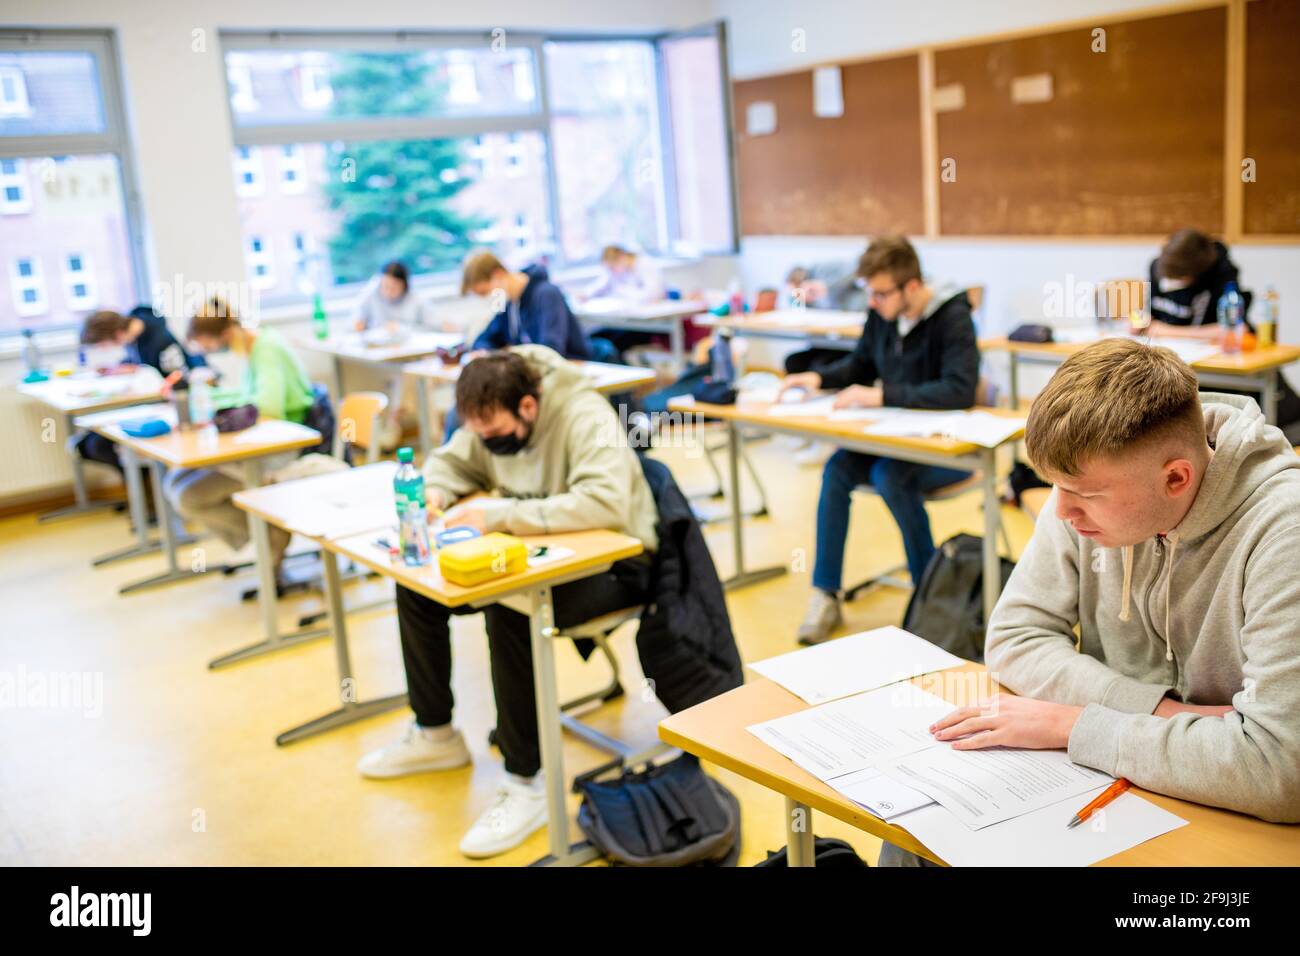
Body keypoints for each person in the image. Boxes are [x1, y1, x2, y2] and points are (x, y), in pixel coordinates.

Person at [883, 339, 1300, 868]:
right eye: (1052, 486)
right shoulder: (1085, 499)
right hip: (1121, 778)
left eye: (1083, 493)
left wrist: (1073, 725)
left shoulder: (1283, 530)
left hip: (1232, 825)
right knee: (914, 836)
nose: (1060, 512)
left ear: (1176, 478)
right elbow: (1014, 638)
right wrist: (1159, 710)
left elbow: (1280, 768)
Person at [356, 345, 659, 858]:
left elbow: (605, 503)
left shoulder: (585, 415)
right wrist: (433, 494)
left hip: (619, 563)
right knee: (416, 585)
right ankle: (435, 736)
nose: (489, 445)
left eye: (496, 434)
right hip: (543, 549)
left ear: (529, 405)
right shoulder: (487, 415)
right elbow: (451, 463)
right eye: (481, 435)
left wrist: (498, 516)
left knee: (510, 604)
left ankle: (527, 782)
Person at [779, 236, 979, 645]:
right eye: (868, 293)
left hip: (946, 447)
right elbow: (861, 364)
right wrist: (818, 378)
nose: (872, 302)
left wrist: (883, 395)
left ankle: (929, 593)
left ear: (911, 287)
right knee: (836, 469)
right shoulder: (882, 314)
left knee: (891, 475)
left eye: (880, 294)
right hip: (893, 437)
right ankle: (825, 592)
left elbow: (959, 390)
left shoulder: (953, 316)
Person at [163, 298, 315, 571]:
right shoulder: (253, 347)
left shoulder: (265, 348)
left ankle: (269, 536)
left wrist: (224, 411)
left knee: (189, 495)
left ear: (225, 334)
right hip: (264, 443)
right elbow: (248, 398)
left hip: (283, 449)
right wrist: (208, 394)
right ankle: (261, 537)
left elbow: (269, 408)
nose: (208, 352)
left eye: (207, 346)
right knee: (174, 481)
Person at [76, 306, 208, 483]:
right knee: (84, 445)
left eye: (105, 345)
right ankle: (143, 491)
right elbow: (138, 361)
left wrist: (142, 373)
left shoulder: (160, 341)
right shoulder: (135, 330)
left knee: (98, 445)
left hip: (168, 407)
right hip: (146, 405)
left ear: (117, 334)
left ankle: (145, 490)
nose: (108, 349)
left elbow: (177, 380)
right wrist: (124, 368)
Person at [462, 251, 612, 362]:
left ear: (498, 275)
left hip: (571, 368)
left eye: (485, 292)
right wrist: (486, 352)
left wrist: (507, 353)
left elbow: (551, 350)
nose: (488, 298)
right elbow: (484, 339)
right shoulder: (507, 303)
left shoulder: (547, 294)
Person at [351, 260, 436, 449]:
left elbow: (432, 330)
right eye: (385, 287)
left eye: (394, 287)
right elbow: (357, 318)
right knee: (403, 378)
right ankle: (391, 425)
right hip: (381, 358)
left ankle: (394, 425)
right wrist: (359, 323)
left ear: (404, 285)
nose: (388, 292)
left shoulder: (417, 300)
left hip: (414, 359)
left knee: (410, 376)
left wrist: (402, 329)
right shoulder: (371, 294)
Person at [1148, 229, 1243, 338]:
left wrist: (1167, 331)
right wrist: (1141, 320)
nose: (1171, 283)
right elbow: (1150, 310)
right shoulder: (1159, 266)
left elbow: (1235, 328)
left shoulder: (1221, 275)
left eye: (1179, 279)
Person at [782, 259, 870, 376]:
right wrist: (799, 300)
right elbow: (797, 311)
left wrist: (827, 287)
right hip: (823, 343)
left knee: (820, 366)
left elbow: (857, 269)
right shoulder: (801, 293)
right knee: (792, 362)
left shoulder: (823, 270)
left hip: (847, 342)